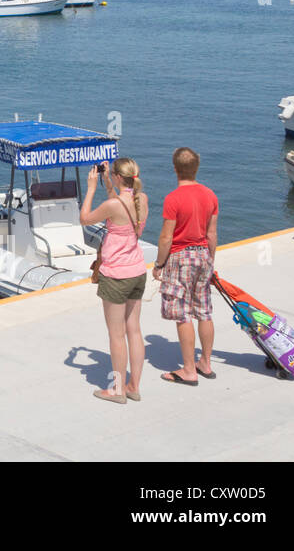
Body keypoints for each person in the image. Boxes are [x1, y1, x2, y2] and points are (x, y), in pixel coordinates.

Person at [80, 157, 148, 404]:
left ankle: (117, 390)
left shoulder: (114, 205)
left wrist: (89, 188)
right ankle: (133, 386)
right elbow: (117, 202)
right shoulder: (142, 200)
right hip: (137, 271)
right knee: (134, 330)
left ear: (120, 177)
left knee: (116, 334)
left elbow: (85, 218)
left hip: (116, 275)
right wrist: (106, 180)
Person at [153, 147, 219, 386]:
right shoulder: (210, 195)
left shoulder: (173, 198)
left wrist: (159, 264)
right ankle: (206, 363)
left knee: (183, 315)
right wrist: (210, 262)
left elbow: (165, 238)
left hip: (181, 258)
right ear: (197, 167)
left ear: (175, 169)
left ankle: (189, 370)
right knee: (204, 311)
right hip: (203, 256)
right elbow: (212, 234)